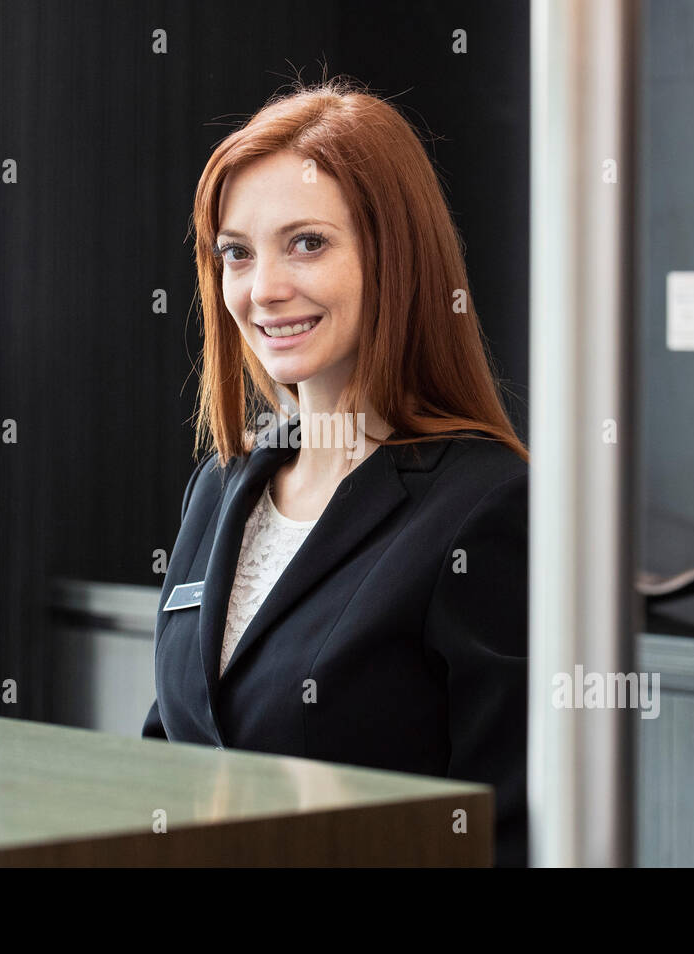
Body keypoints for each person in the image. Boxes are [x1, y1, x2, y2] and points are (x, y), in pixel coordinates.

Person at [142, 76, 529, 867]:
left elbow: (508, 833)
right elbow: (166, 756)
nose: (264, 289)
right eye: (237, 254)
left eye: (307, 243)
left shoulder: (485, 505)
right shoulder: (223, 486)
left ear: (395, 258)